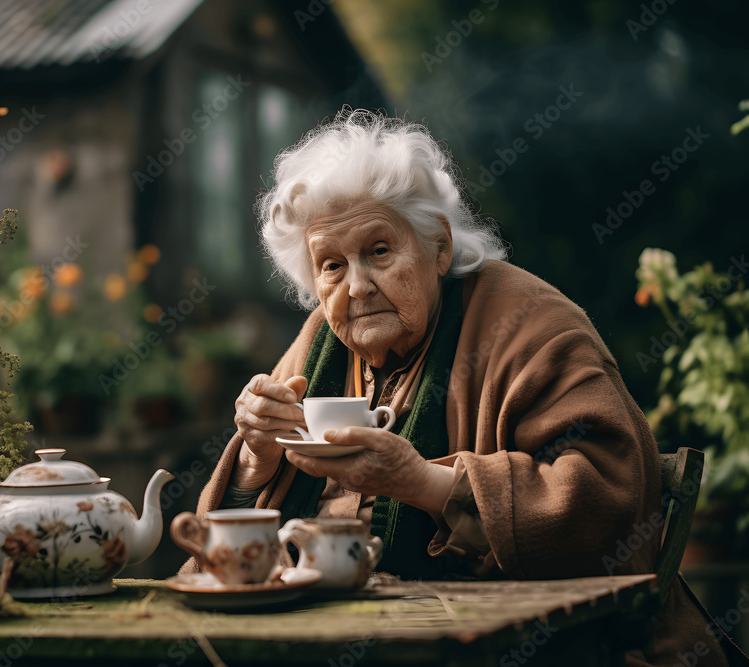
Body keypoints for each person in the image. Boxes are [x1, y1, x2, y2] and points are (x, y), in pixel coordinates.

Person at [188, 109, 744, 666]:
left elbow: (605, 507)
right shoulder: (319, 342)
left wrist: (420, 482)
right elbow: (220, 555)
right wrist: (256, 461)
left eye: (379, 251)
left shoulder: (532, 324)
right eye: (331, 265)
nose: (356, 286)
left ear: (439, 247)